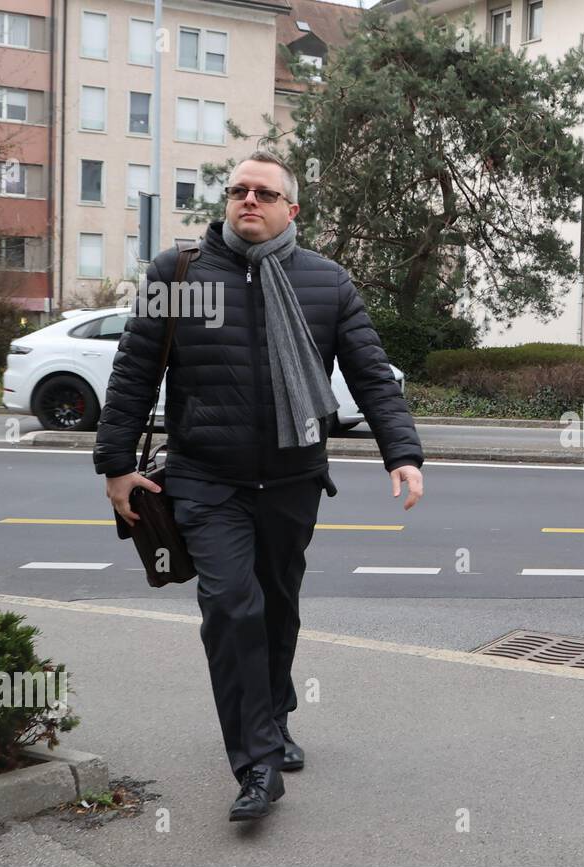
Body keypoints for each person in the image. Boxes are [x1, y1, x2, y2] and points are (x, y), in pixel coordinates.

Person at [94, 150, 425, 821]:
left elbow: (369, 372)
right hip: (205, 479)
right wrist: (115, 464)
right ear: (227, 201)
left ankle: (273, 713)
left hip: (293, 479)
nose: (250, 200)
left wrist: (403, 452)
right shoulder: (177, 274)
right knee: (230, 608)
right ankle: (256, 764)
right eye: (239, 190)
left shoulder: (327, 283)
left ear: (290, 209)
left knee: (276, 605)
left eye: (264, 193)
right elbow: (134, 372)